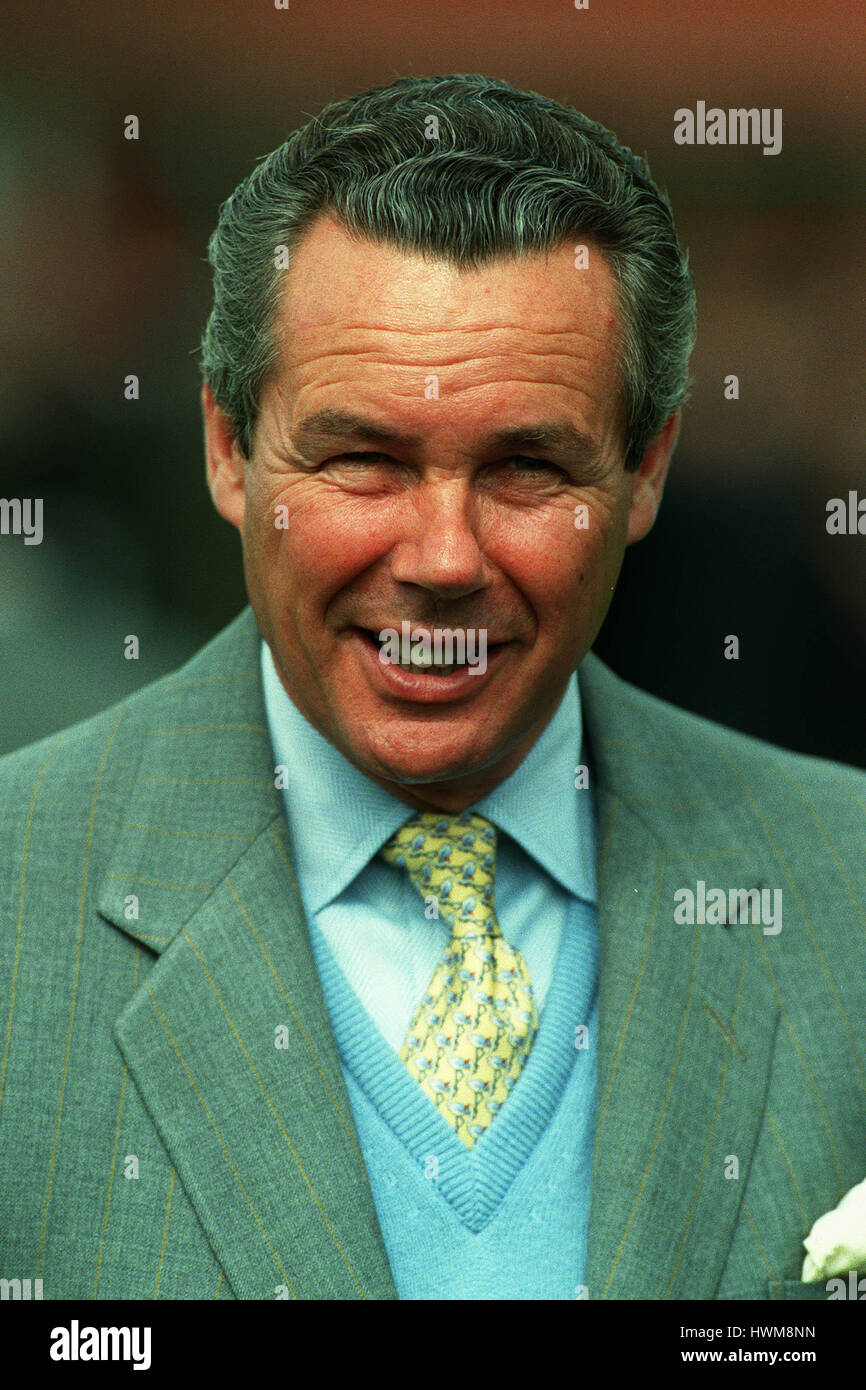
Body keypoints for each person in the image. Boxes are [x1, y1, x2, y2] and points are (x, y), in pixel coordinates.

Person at [1, 73, 863, 1302]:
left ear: (647, 470)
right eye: (361, 460)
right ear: (226, 448)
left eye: (525, 467)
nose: (444, 559)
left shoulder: (843, 894)